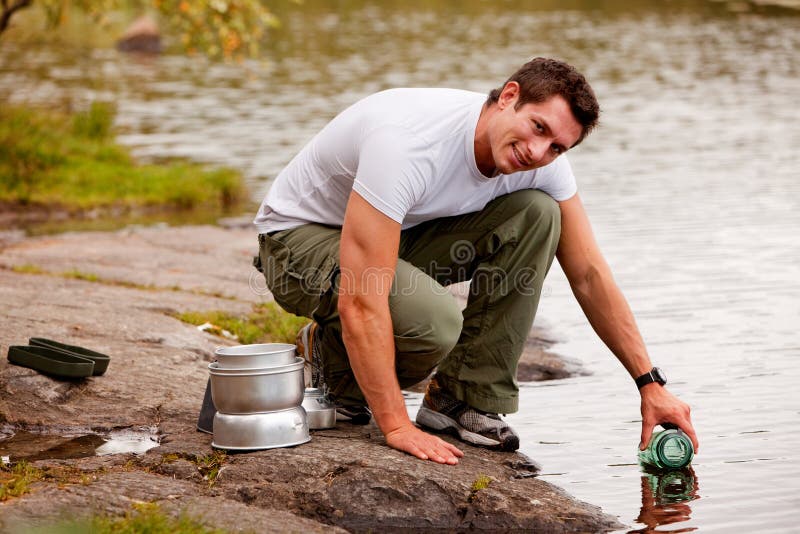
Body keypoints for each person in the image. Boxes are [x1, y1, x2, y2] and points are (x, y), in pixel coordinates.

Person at [253, 57, 699, 465]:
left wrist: (649, 384)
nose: (538, 152)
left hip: (389, 236)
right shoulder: (408, 143)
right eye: (538, 127)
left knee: (538, 214)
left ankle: (463, 398)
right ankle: (332, 362)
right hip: (295, 242)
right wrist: (396, 426)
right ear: (509, 96)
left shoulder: (542, 163)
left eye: (557, 147)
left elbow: (589, 275)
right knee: (433, 324)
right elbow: (361, 301)